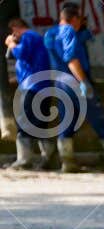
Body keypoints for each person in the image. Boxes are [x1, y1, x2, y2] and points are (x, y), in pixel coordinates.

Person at [43, 3, 104, 172]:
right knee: (99, 117)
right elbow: (71, 59)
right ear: (74, 18)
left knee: (66, 122)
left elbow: (64, 49)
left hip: (60, 83)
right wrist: (83, 81)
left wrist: (84, 32)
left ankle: (67, 161)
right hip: (76, 81)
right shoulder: (69, 31)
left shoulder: (50, 34)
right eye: (79, 19)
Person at [5, 18, 57, 170]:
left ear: (15, 29)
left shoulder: (28, 36)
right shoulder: (36, 38)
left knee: (24, 122)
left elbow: (21, 53)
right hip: (41, 85)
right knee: (41, 124)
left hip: (32, 87)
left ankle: (24, 160)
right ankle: (49, 158)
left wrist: (11, 44)